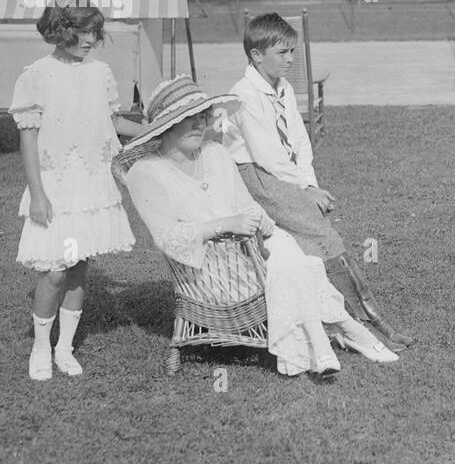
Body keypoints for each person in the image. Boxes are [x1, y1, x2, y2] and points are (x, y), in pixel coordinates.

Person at [115, 76, 398, 378]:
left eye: (202, 116)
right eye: (188, 119)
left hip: (251, 248)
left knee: (287, 247)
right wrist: (225, 225)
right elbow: (168, 238)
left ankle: (331, 337)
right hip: (211, 270)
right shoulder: (146, 173)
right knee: (295, 262)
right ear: (167, 126)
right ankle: (341, 333)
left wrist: (256, 220)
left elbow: (247, 205)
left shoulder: (214, 153)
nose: (199, 124)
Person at [222, 13, 415, 350]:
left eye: (292, 51)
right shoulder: (244, 94)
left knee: (320, 234)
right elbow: (267, 154)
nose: (291, 59)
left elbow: (299, 141)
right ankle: (362, 324)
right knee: (320, 232)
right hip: (255, 179)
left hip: (283, 175)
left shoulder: (283, 88)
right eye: (282, 53)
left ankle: (356, 321)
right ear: (256, 55)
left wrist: (309, 183)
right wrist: (303, 190)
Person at [9, 0, 142, 381]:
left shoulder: (99, 73)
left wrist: (154, 130)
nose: (90, 40)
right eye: (82, 31)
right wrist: (37, 194)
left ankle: (65, 349)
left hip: (91, 185)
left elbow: (112, 122)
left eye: (94, 32)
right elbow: (28, 139)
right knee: (54, 271)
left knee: (79, 267)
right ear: (60, 30)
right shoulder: (36, 74)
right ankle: (40, 348)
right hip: (55, 186)